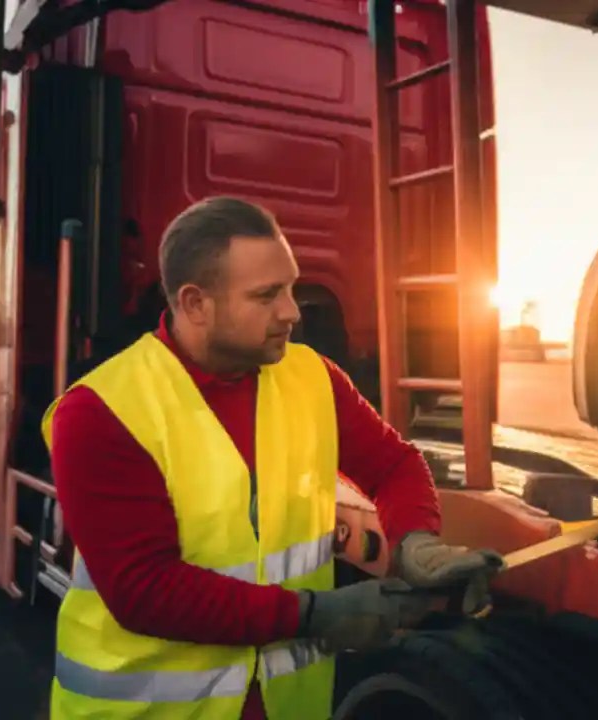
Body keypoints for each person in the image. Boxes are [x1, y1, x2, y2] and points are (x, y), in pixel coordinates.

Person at [42, 196, 504, 719]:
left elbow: (394, 464)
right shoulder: (102, 410)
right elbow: (143, 590)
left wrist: (415, 540)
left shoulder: (313, 377)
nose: (291, 311)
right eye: (266, 295)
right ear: (194, 303)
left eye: (290, 287)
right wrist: (316, 614)